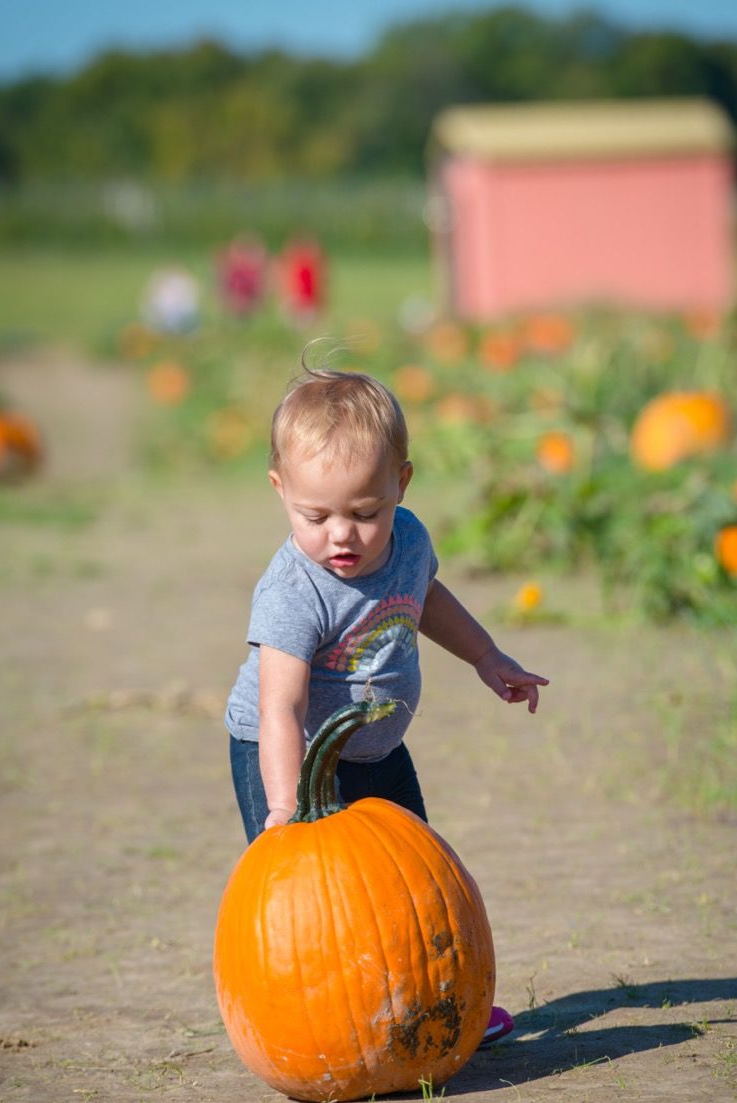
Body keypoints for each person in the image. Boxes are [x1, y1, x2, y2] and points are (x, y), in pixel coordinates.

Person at [225, 364, 549, 1047]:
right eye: (315, 516)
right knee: (308, 902)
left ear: (401, 484)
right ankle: (317, 1026)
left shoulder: (408, 543)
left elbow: (428, 600)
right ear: (281, 491)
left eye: (364, 513)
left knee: (418, 881)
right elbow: (280, 707)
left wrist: (488, 657)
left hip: (376, 747)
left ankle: (440, 1002)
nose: (341, 534)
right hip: (288, 755)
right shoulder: (294, 591)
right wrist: (286, 808)